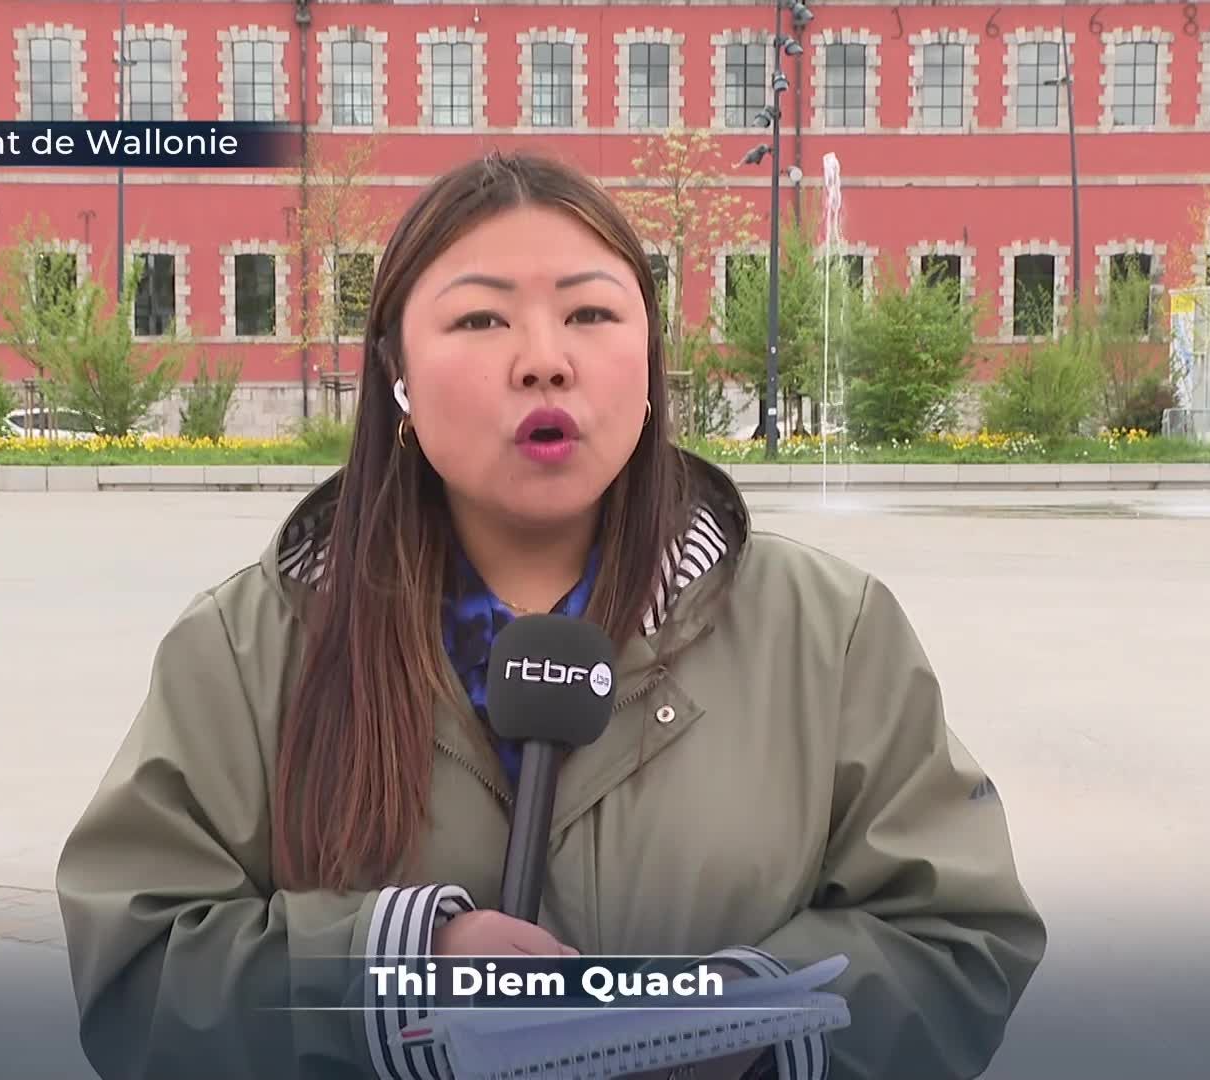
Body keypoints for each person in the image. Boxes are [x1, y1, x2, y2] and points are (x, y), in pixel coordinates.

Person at [56, 153, 1046, 1080]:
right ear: (395, 373)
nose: (543, 361)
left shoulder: (828, 632)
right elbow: (140, 967)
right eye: (481, 322)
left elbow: (956, 937)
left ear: (651, 363)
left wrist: (754, 1020)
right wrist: (396, 966)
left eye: (591, 315)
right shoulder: (246, 646)